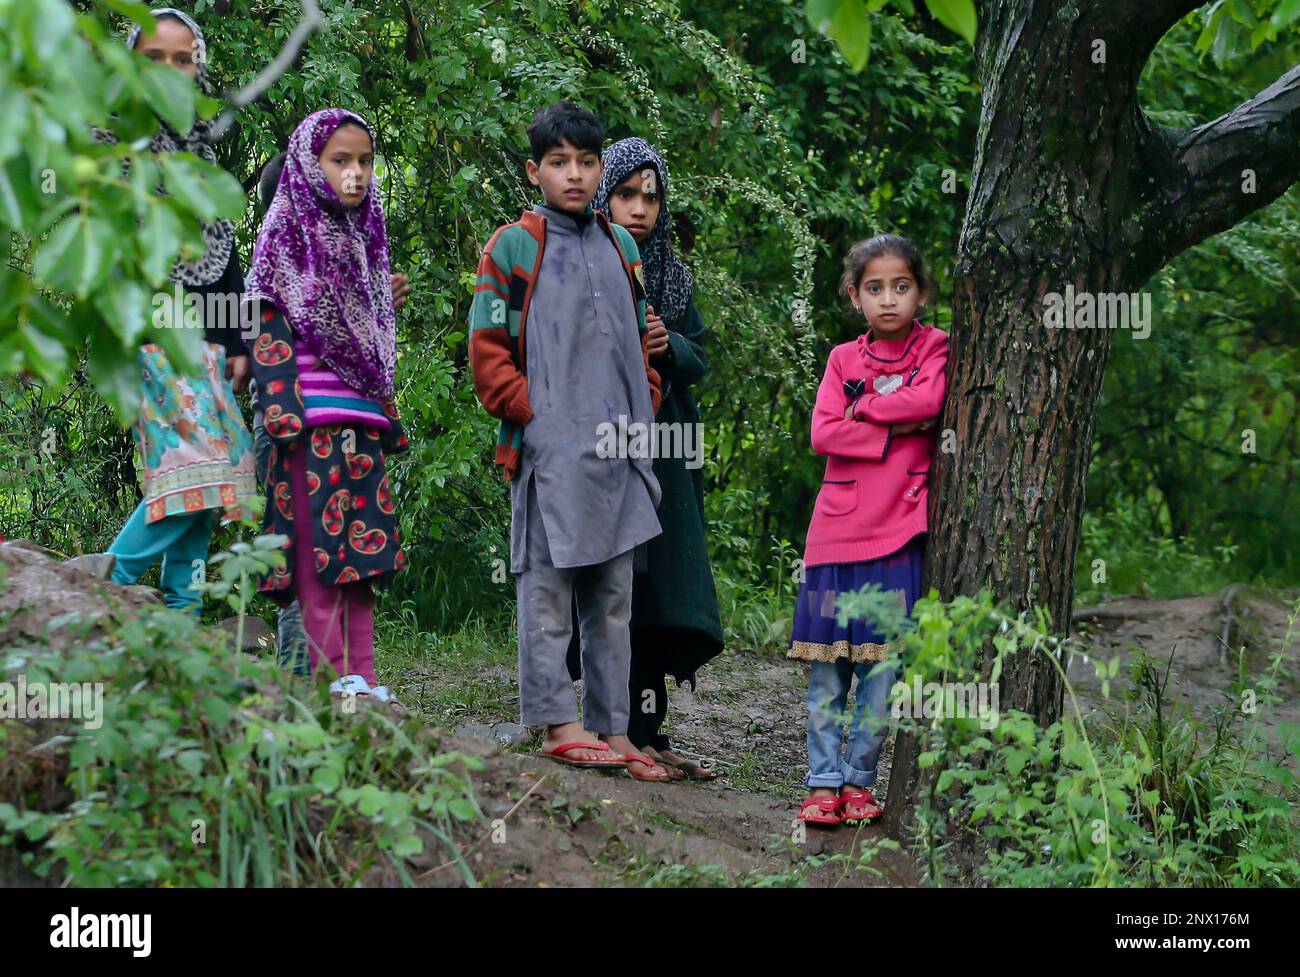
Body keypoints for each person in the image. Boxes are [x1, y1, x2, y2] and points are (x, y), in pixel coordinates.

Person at [468, 102, 670, 780]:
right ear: (535, 170)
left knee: (614, 596)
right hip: (547, 450)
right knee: (547, 589)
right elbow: (488, 347)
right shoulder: (512, 246)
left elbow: (641, 335)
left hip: (619, 447)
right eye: (559, 162)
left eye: (586, 162)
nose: (575, 174)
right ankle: (559, 720)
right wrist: (533, 415)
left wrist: (646, 402)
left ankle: (613, 727)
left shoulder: (623, 245)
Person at [561, 137, 724, 782]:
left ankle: (646, 733)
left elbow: (699, 358)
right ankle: (611, 726)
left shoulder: (673, 276)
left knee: (658, 592)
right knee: (612, 582)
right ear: (604, 196)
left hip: (665, 449)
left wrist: (667, 345)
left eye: (650, 197)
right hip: (605, 442)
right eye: (625, 194)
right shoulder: (581, 263)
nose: (638, 209)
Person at [243, 108, 409, 705]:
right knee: (316, 559)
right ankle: (323, 676)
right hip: (307, 424)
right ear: (309, 164)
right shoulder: (283, 235)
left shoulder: (368, 240)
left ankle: (361, 677)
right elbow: (263, 321)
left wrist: (387, 410)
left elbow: (374, 342)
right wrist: (281, 408)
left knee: (360, 559)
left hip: (361, 424)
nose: (356, 173)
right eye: (340, 160)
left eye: (365, 161)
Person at [791, 235, 948, 827]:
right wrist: (895, 429)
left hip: (901, 530)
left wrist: (865, 411)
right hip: (836, 533)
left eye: (901, 287)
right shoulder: (841, 360)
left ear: (921, 292)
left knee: (883, 671)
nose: (889, 300)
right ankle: (821, 779)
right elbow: (823, 434)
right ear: (855, 297)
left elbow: (931, 398)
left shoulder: (936, 346)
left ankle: (859, 781)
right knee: (827, 670)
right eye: (875, 288)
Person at [102, 7, 256, 611]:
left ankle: (179, 624)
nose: (170, 70)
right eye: (153, 58)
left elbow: (226, 256)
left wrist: (239, 342)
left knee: (207, 489)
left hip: (210, 345)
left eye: (182, 58)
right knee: (194, 474)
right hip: (154, 337)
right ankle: (98, 590)